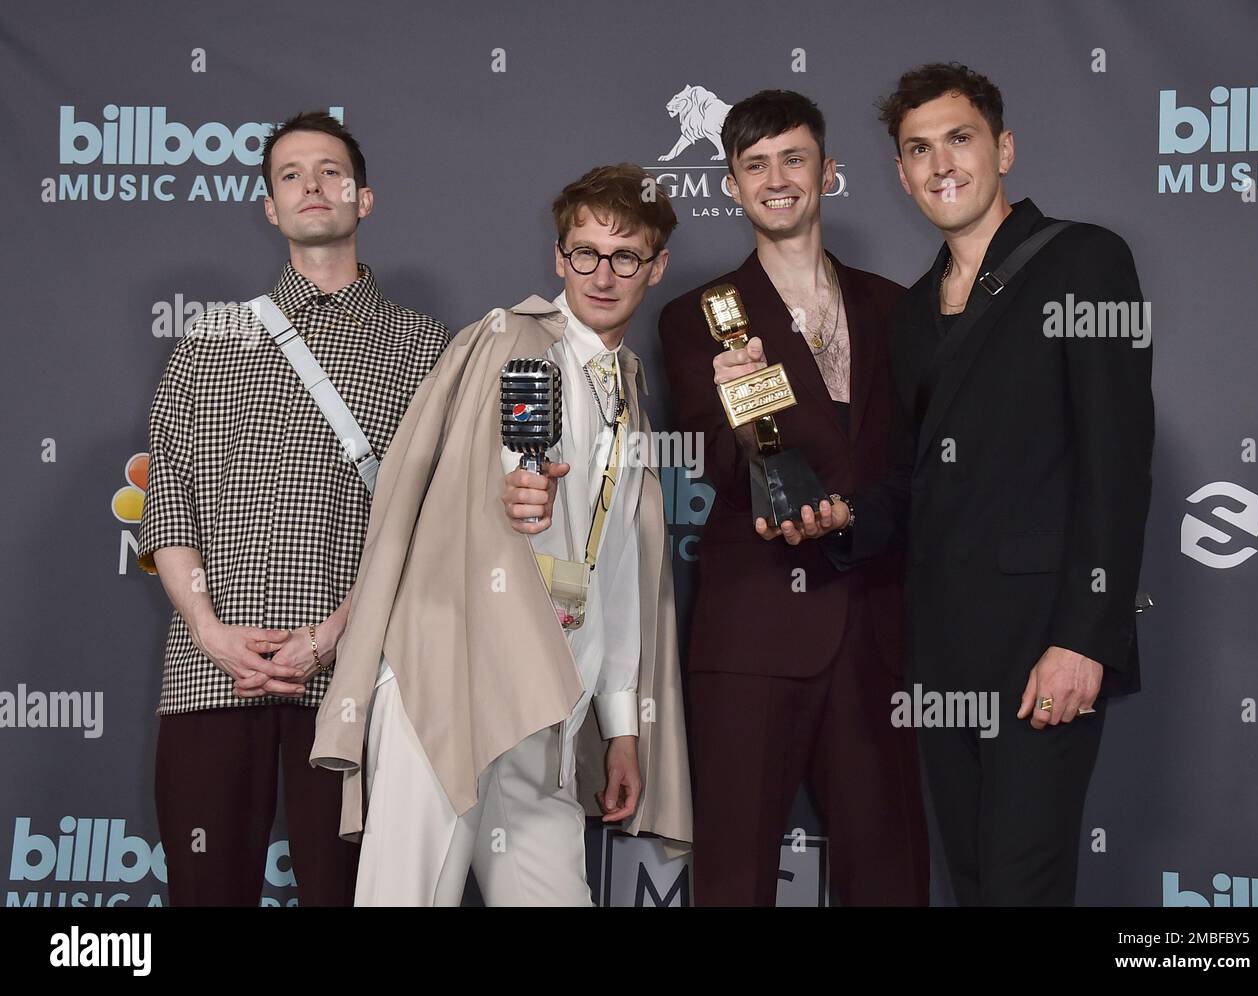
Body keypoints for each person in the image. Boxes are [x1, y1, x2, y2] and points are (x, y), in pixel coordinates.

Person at [806, 63, 1153, 905]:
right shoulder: (917, 310)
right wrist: (843, 517)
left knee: (1021, 890)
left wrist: (1085, 639)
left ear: (1002, 147)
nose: (941, 165)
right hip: (942, 657)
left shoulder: (1085, 260)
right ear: (899, 172)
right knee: (972, 883)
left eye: (959, 139)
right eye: (918, 149)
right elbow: (910, 479)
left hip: (1045, 647)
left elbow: (1118, 462)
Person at [311, 163, 692, 906]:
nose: (602, 274)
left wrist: (620, 726)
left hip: (548, 710)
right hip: (449, 682)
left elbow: (618, 573)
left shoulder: (629, 386)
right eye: (584, 252)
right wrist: (517, 498)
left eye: (625, 257)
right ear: (559, 257)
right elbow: (487, 476)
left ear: (657, 266)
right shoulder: (509, 339)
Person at [138, 110, 450, 906]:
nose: (312, 186)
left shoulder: (426, 347)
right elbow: (167, 497)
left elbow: (429, 519)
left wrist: (336, 633)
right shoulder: (210, 339)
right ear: (271, 209)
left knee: (347, 895)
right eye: (290, 175)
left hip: (357, 676)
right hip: (212, 675)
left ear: (365, 199)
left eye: (331, 172)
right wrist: (209, 630)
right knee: (205, 890)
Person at [656, 90, 929, 906]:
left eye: (794, 158)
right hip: (755, 626)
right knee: (735, 875)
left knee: (890, 874)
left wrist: (862, 517)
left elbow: (922, 462)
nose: (777, 179)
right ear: (734, 187)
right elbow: (711, 461)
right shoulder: (697, 316)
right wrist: (744, 433)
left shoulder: (898, 306)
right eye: (755, 165)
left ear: (828, 173)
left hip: (879, 623)